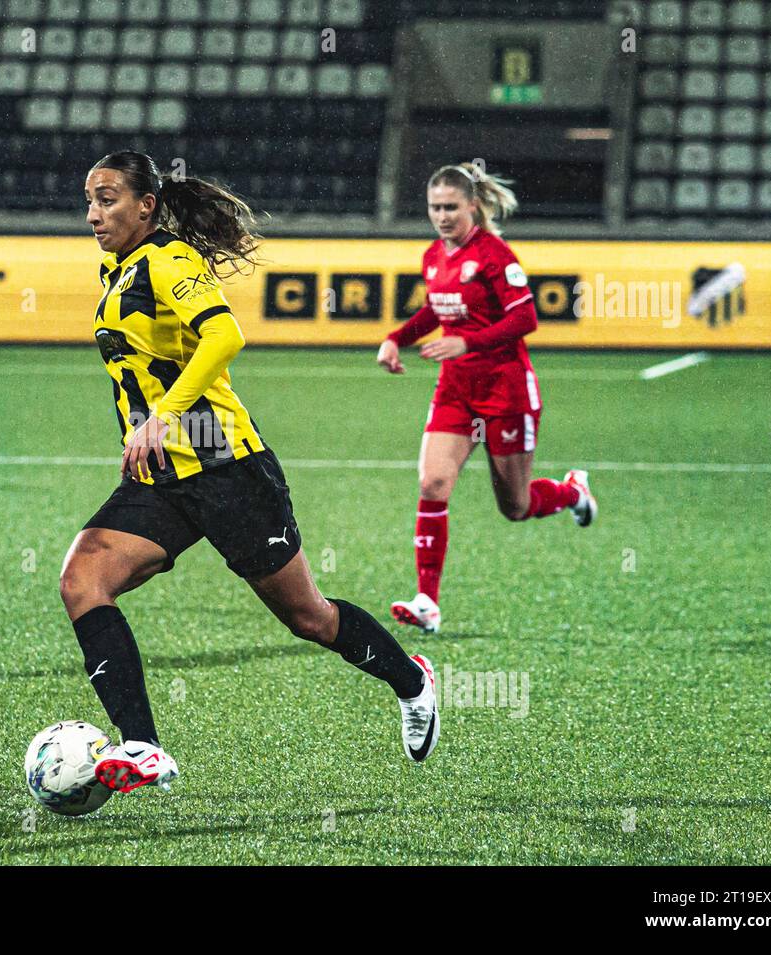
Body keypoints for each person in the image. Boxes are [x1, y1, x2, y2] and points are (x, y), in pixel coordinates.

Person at [62, 151, 440, 795]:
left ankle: (412, 681)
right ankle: (143, 748)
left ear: (146, 205)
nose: (93, 214)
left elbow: (225, 336)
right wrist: (144, 429)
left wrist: (164, 416)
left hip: (226, 465)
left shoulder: (169, 260)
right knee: (82, 580)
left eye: (107, 200)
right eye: (89, 201)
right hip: (161, 474)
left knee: (309, 619)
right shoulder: (115, 267)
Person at [378, 163, 596, 635]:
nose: (441, 216)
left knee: (514, 507)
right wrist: (397, 337)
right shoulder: (434, 256)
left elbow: (526, 320)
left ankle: (572, 492)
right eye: (435, 207)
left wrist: (468, 343)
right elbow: (436, 310)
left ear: (472, 205)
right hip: (456, 389)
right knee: (433, 483)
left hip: (506, 390)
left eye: (450, 207)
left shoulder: (496, 255)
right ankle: (427, 602)